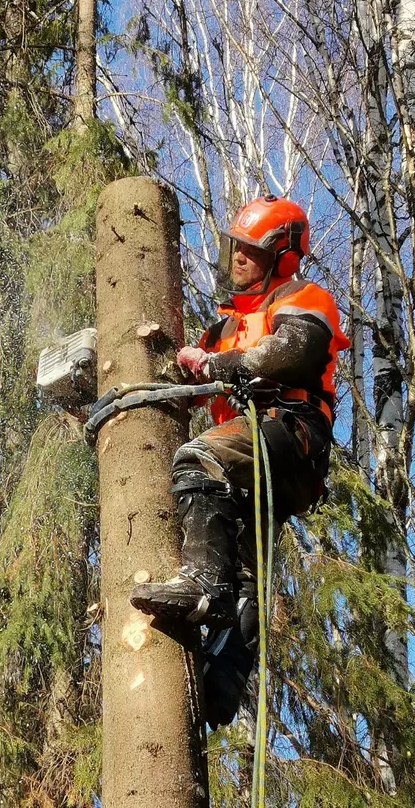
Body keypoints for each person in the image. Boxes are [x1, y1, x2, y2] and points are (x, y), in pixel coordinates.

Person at [130, 194, 350, 728]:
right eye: (237, 247)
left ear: (280, 253)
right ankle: (223, 679)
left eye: (251, 249)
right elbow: (186, 383)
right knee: (249, 567)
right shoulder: (225, 324)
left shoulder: (304, 298)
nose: (239, 258)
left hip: (291, 433)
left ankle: (205, 582)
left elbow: (293, 351)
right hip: (255, 462)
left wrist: (223, 362)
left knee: (199, 457)